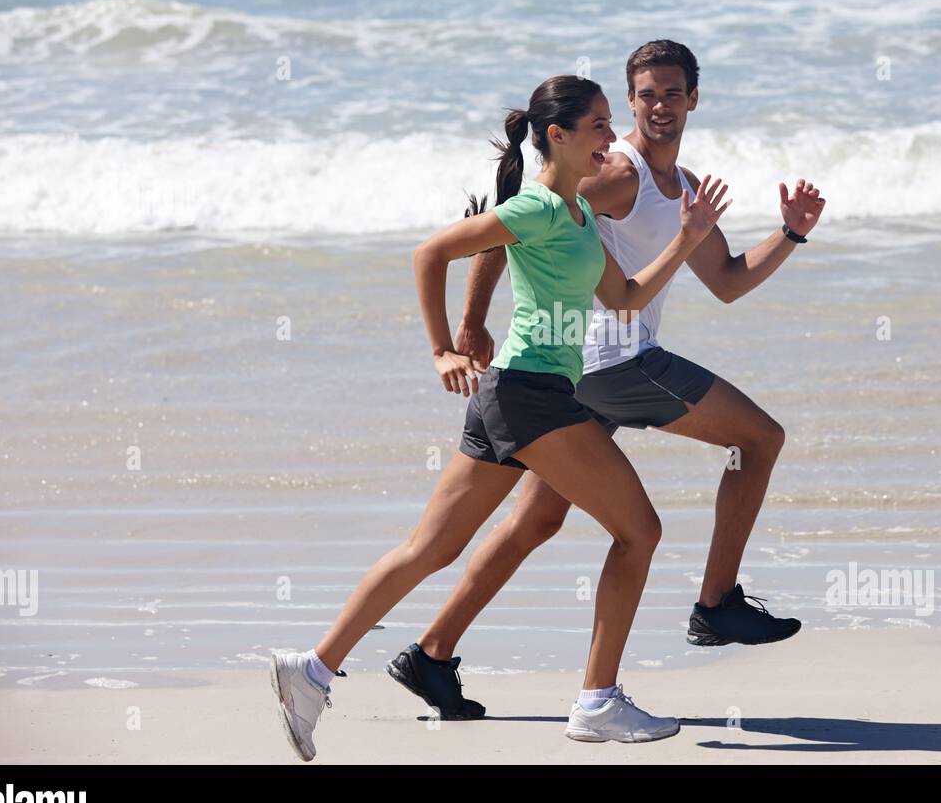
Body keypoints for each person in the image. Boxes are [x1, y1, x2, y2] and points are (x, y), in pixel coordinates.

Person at [269, 73, 731, 759]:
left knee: (431, 548)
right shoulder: (538, 210)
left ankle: (309, 670)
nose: (612, 136)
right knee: (640, 531)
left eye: (610, 122)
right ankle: (598, 701)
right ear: (559, 136)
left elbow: (628, 297)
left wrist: (689, 238)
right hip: (530, 396)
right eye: (601, 124)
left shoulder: (578, 216)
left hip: (516, 395)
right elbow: (431, 252)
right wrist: (442, 350)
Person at [392, 40, 825, 720]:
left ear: (693, 100)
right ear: (629, 101)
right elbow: (516, 220)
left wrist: (791, 235)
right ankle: (717, 604)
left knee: (536, 519)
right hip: (612, 362)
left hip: (573, 377)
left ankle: (432, 654)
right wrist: (471, 324)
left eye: (672, 93)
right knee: (759, 439)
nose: (660, 106)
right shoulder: (617, 174)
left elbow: (729, 281)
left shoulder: (676, 187)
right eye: (647, 94)